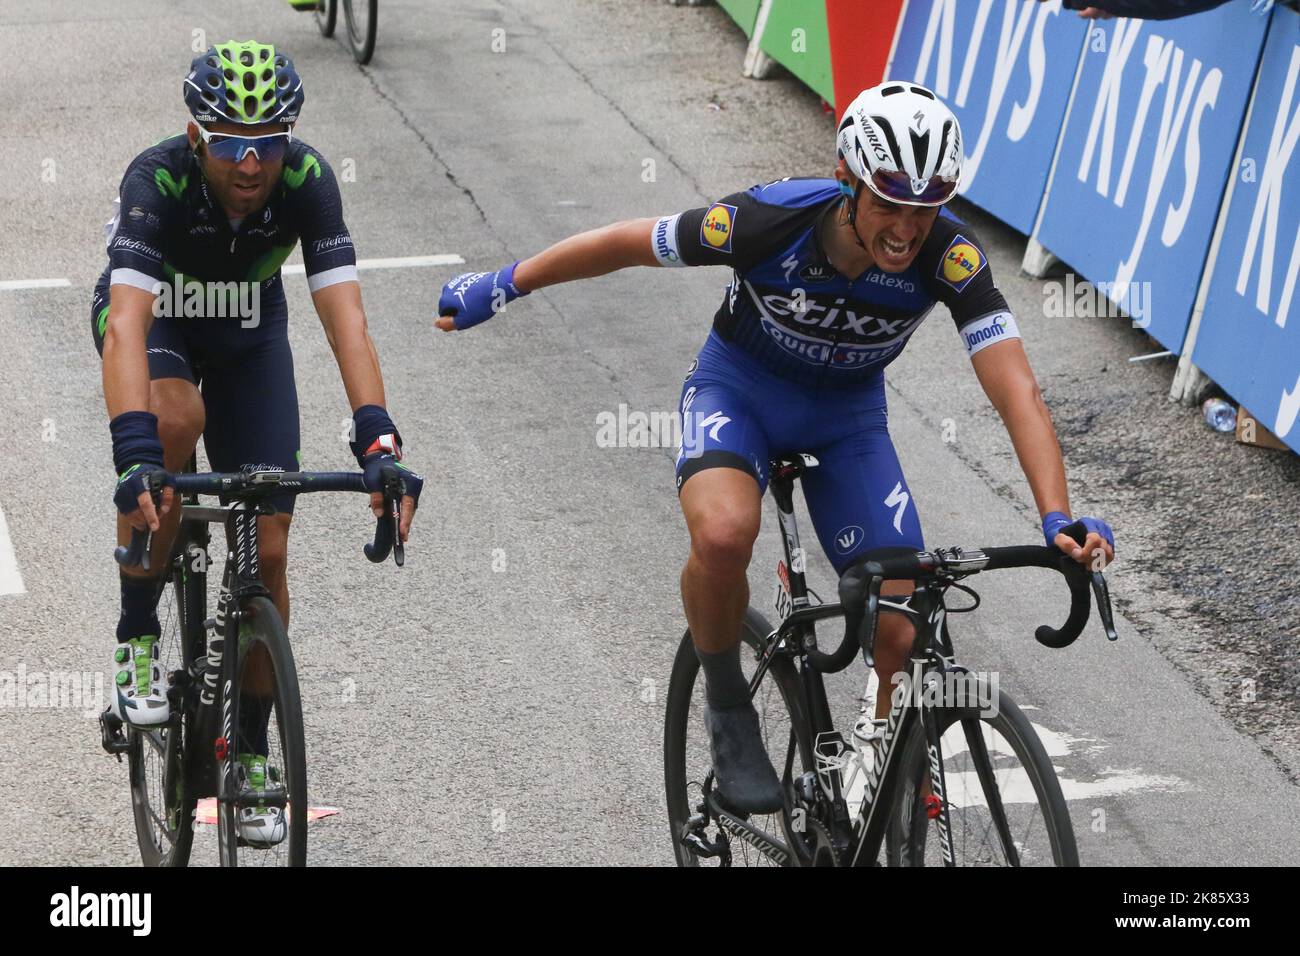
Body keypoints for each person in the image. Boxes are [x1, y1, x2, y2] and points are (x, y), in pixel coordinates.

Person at [434, 82, 1114, 816]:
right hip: (740, 392)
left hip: (846, 421)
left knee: (904, 608)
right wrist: (506, 284)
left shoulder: (951, 257)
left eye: (926, 207)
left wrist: (1057, 516)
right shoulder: (767, 220)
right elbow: (627, 242)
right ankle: (728, 705)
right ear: (847, 180)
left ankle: (881, 748)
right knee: (726, 534)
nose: (906, 229)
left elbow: (1018, 393)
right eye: (888, 202)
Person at [97, 40, 422, 843]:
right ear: (197, 135)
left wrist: (377, 438)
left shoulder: (308, 183)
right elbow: (128, 325)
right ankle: (138, 628)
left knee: (269, 549)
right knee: (174, 425)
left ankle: (248, 744)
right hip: (158, 322)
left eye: (269, 139)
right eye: (234, 142)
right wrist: (133, 445)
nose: (252, 162)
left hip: (247, 333)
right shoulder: (158, 179)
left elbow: (347, 320)